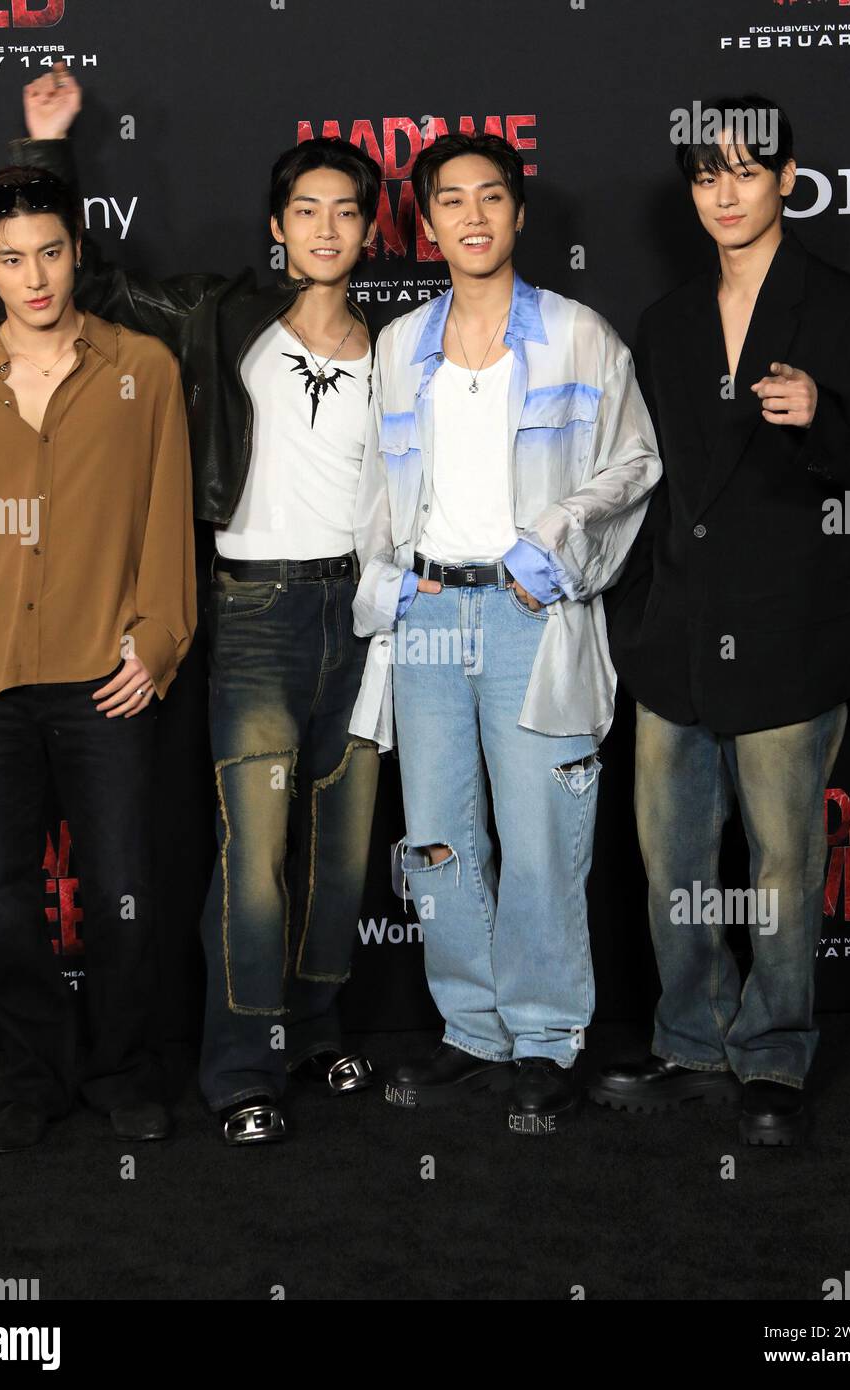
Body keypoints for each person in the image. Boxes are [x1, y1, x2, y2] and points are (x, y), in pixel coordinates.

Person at [13, 64, 385, 1145]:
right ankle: (241, 1068)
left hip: (360, 619)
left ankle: (313, 1030)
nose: (325, 228)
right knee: (255, 852)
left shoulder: (398, 350)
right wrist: (47, 156)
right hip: (257, 614)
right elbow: (100, 286)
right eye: (305, 209)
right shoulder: (216, 316)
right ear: (277, 226)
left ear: (368, 230)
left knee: (339, 848)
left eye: (345, 211)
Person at [593, 95, 850, 1145]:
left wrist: (823, 420)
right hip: (677, 639)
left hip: (790, 632)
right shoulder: (665, 322)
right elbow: (639, 483)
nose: (723, 192)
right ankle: (690, 1036)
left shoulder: (847, 311)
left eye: (744, 170)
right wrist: (638, 612)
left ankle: (774, 1057)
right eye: (704, 175)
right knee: (674, 862)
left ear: (786, 179)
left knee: (780, 863)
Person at [349, 132, 662, 1135]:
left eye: (492, 197)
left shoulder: (577, 335)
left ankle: (543, 1036)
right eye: (451, 200)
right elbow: (373, 493)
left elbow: (633, 463)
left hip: (531, 613)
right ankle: (471, 1030)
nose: (472, 217)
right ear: (426, 219)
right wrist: (390, 587)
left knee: (540, 836)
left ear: (518, 215)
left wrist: (549, 554)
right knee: (436, 838)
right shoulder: (398, 345)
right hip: (431, 613)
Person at [0, 165, 196, 1152]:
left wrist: (158, 638)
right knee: (4, 893)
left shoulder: (142, 370)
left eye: (51, 253)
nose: (35, 277)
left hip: (102, 674)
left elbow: (165, 522)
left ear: (79, 252)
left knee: (124, 881)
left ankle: (121, 1069)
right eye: (11, 258)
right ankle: (33, 1078)